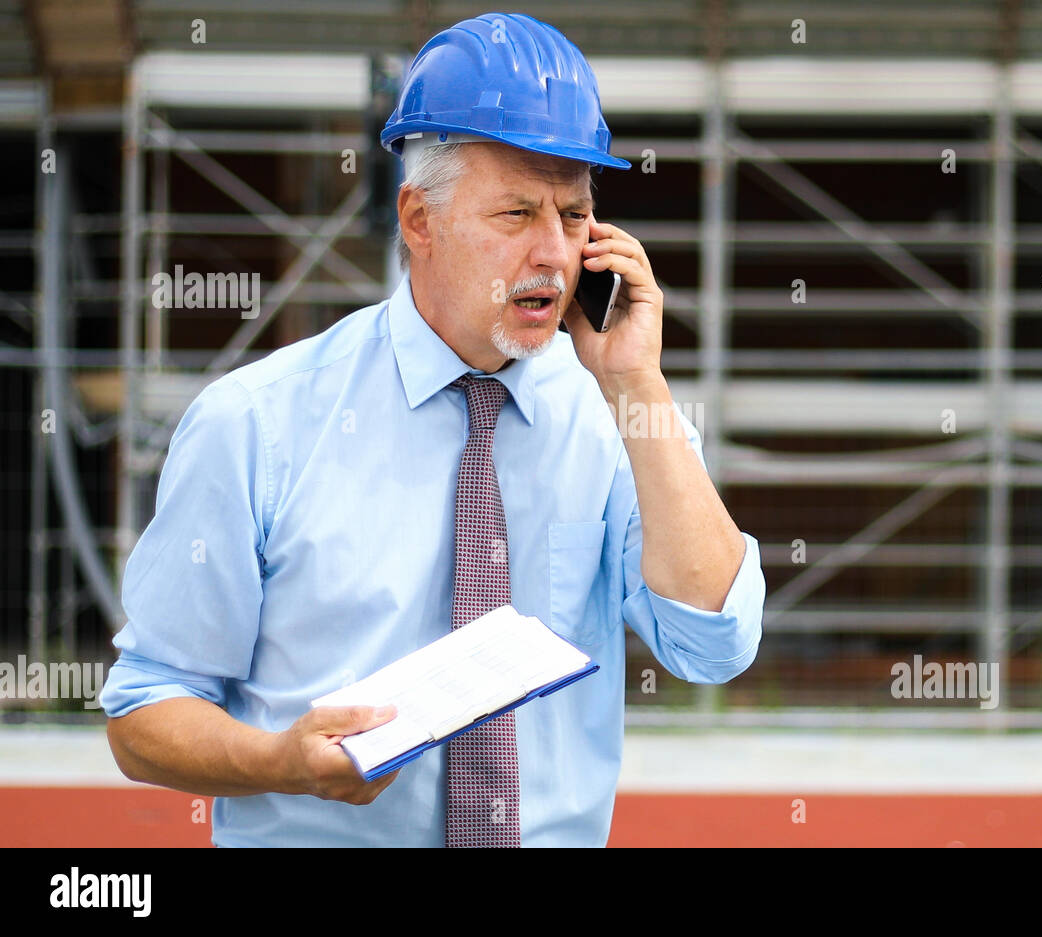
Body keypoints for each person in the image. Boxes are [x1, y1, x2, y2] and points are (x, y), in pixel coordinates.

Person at [101, 12, 764, 847]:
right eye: (517, 214)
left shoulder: (618, 417)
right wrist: (282, 761)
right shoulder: (256, 423)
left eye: (573, 214)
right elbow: (144, 710)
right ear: (418, 220)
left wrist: (638, 381)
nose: (555, 253)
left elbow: (716, 644)